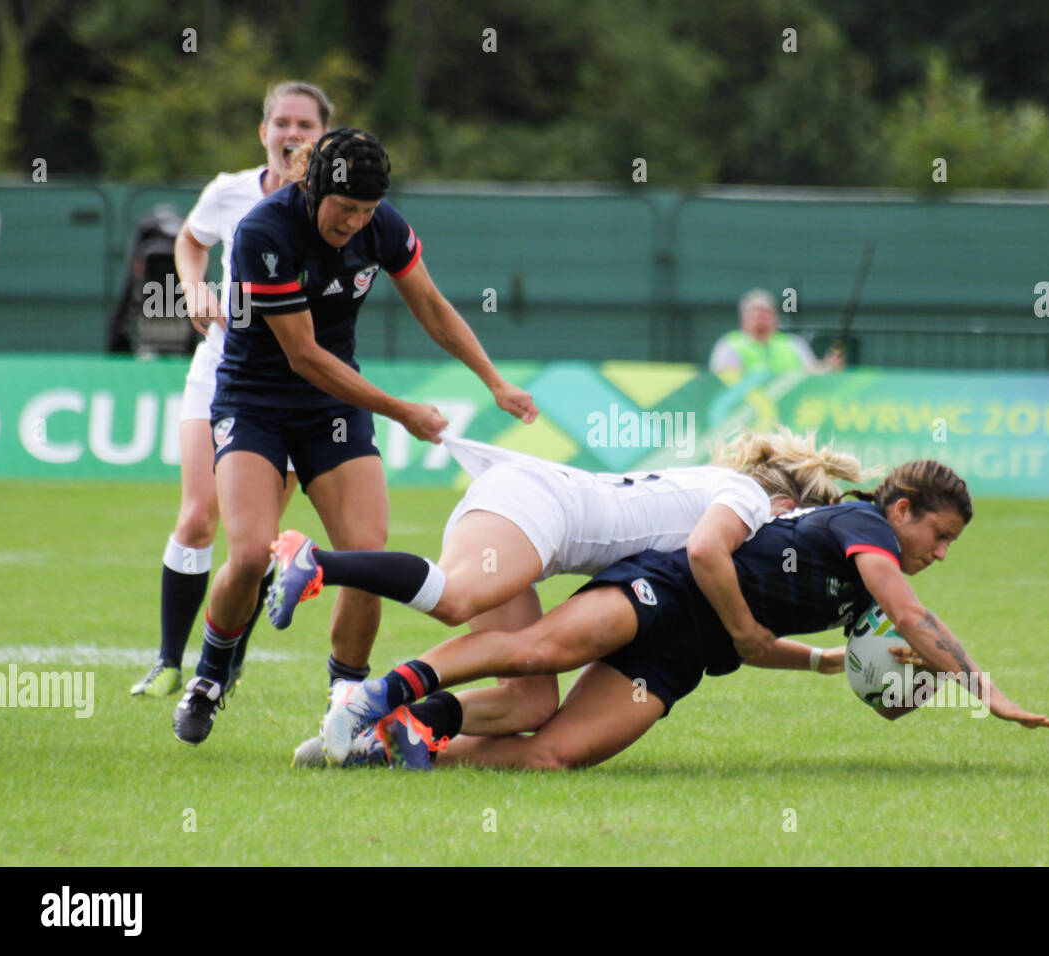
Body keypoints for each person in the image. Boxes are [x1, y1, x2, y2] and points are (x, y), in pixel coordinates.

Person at [318, 459, 1049, 772]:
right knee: (535, 652)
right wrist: (985, 691)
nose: (941, 552)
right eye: (939, 536)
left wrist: (864, 672)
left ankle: (407, 747)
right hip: (666, 592)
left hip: (679, 661)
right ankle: (385, 691)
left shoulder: (866, 594)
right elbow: (912, 610)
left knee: (554, 755)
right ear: (901, 510)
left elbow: (791, 658)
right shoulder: (861, 525)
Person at [172, 126, 539, 746]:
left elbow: (430, 305)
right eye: (345, 208)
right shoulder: (266, 232)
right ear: (315, 189)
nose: (354, 222)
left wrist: (493, 381)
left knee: (367, 557)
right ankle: (209, 676)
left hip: (331, 411)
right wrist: (402, 412)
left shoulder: (382, 225)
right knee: (250, 553)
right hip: (255, 401)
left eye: (366, 211)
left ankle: (346, 697)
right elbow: (305, 356)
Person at [270, 427, 871, 765]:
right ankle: (317, 564)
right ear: (788, 505)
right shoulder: (748, 498)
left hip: (530, 514)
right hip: (541, 508)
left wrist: (818, 659)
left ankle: (377, 742)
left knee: (528, 703)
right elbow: (706, 555)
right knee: (454, 598)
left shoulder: (730, 492)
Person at [131, 81, 331, 699]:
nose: (292, 134)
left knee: (256, 540)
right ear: (263, 132)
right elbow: (190, 241)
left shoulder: (337, 208)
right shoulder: (230, 191)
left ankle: (222, 664)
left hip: (297, 382)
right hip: (220, 368)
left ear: (324, 136)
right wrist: (192, 288)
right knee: (197, 517)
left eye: (305, 125)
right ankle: (168, 662)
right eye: (281, 122)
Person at [708, 288, 844, 385]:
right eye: (755, 314)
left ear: (775, 317)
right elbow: (722, 383)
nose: (760, 318)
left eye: (766, 313)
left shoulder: (793, 344)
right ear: (743, 319)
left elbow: (811, 375)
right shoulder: (730, 344)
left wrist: (828, 367)